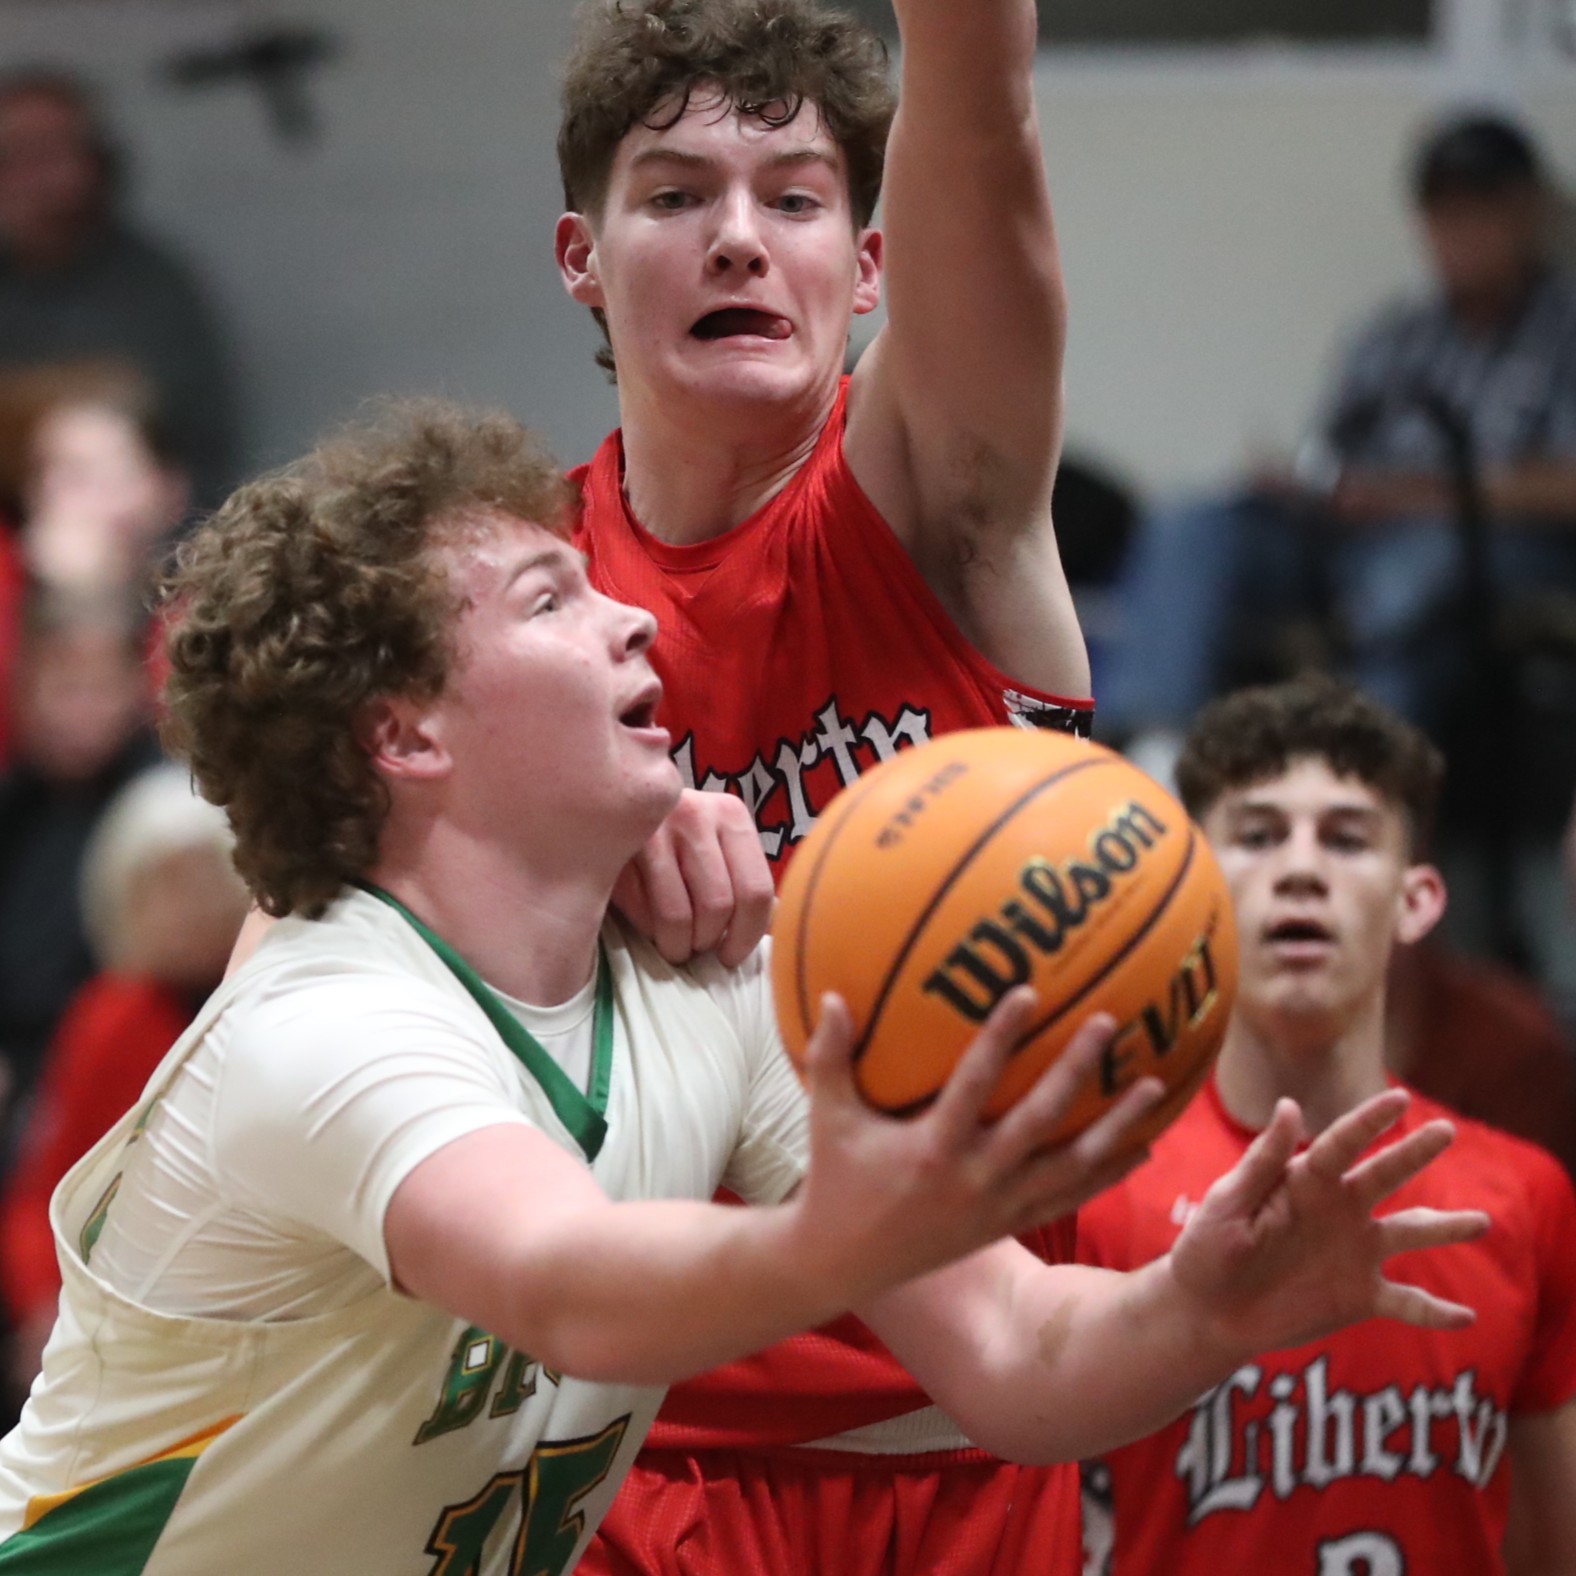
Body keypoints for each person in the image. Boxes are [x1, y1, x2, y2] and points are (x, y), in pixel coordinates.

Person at [0, 402, 1488, 1573]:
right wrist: (845, 1230)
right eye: (549, 604)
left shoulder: (706, 990)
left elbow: (1024, 1360)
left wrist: (1203, 1307)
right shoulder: (325, 1022)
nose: (632, 622)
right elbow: (567, 1290)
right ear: (406, 737)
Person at [555, 1, 1110, 1564]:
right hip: (621, 1469)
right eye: (673, 195)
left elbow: (980, 107)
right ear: (579, 260)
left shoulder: (947, 499)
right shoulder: (513, 601)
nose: (739, 238)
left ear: (867, 270)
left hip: (960, 1459)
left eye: (794, 197)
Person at [1078, 674, 1576, 1576]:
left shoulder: (1525, 1196)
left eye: (1347, 839)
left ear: (1418, 899)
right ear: (1188, 880)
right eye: (1259, 835)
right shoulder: (1088, 1182)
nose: (1301, 866)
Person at [1106, 111, 1576, 750]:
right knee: (1196, 525)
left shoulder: (1563, 329)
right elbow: (1333, 450)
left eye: (1481, 211)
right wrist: (1300, 481)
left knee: (1411, 576)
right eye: (1444, 214)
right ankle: (1151, 743)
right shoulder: (1394, 334)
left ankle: (1350, 776)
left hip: (1491, 548)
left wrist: (1408, 497)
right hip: (1349, 538)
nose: (1460, 235)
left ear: (1528, 213)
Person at [0, 762, 247, 1406]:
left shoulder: (264, 1007)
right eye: (160, 887)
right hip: (111, 1309)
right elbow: (40, 1190)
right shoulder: (106, 1018)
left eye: (202, 881)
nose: (185, 908)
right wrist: (39, 1301)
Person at [0, 72, 238, 509]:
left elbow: (198, 448)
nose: (29, 178)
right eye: (12, 156)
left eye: (47, 152)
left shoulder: (153, 287)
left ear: (96, 163)